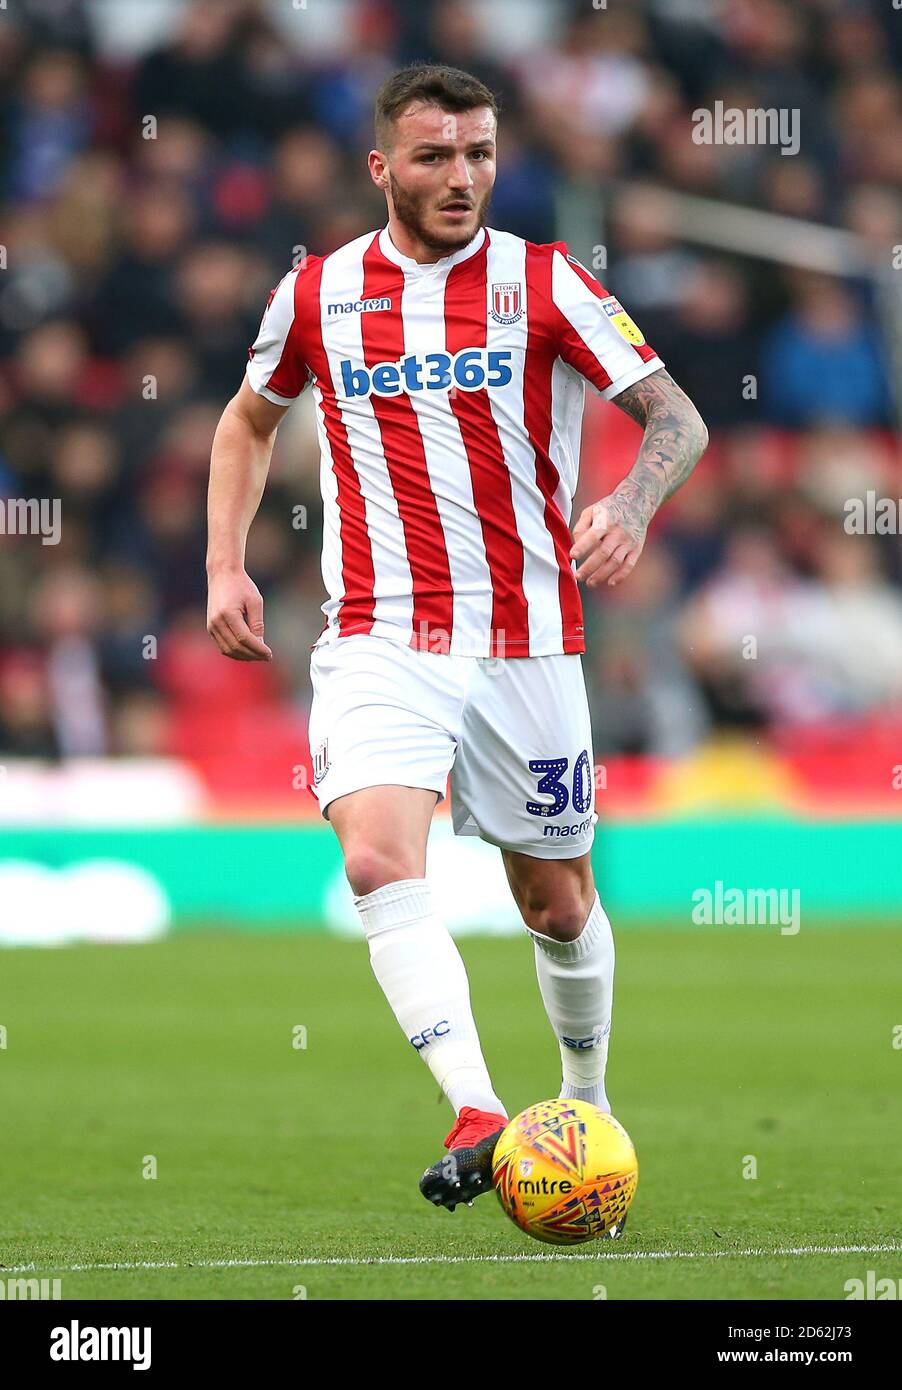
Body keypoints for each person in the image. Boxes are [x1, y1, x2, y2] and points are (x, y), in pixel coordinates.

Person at [206, 64, 708, 1226]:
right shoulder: (320, 292)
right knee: (381, 861)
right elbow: (245, 419)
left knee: (556, 904)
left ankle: (580, 1106)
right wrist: (224, 563)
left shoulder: (547, 284)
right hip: (381, 632)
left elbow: (674, 415)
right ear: (381, 167)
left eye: (477, 153)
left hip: (525, 641)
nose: (460, 176)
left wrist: (628, 505)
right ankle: (479, 1110)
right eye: (433, 155)